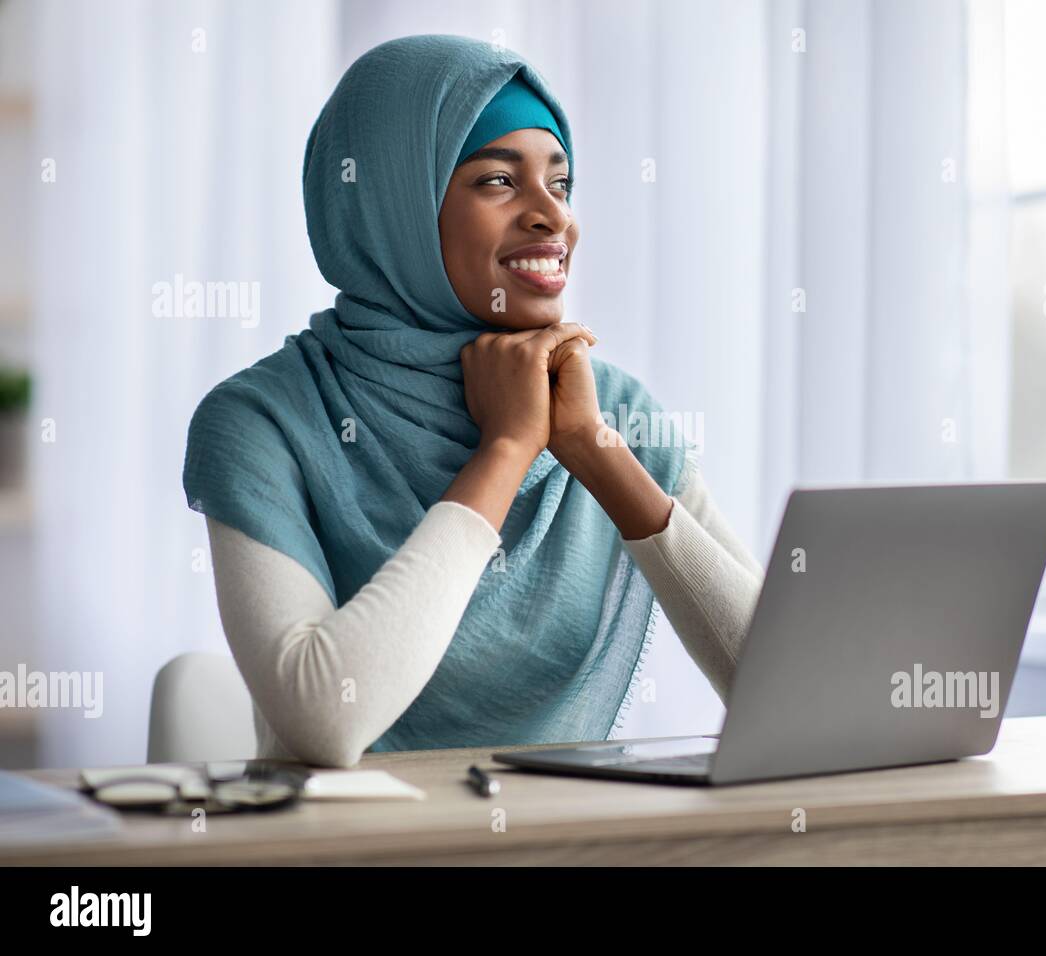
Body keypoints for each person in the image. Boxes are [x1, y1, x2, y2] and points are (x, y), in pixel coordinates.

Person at [182, 35, 762, 768]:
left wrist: (596, 455)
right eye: (498, 180)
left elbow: (789, 696)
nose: (552, 217)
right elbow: (323, 718)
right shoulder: (263, 421)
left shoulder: (606, 410)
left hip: (579, 842)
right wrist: (507, 449)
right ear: (393, 203)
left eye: (561, 183)